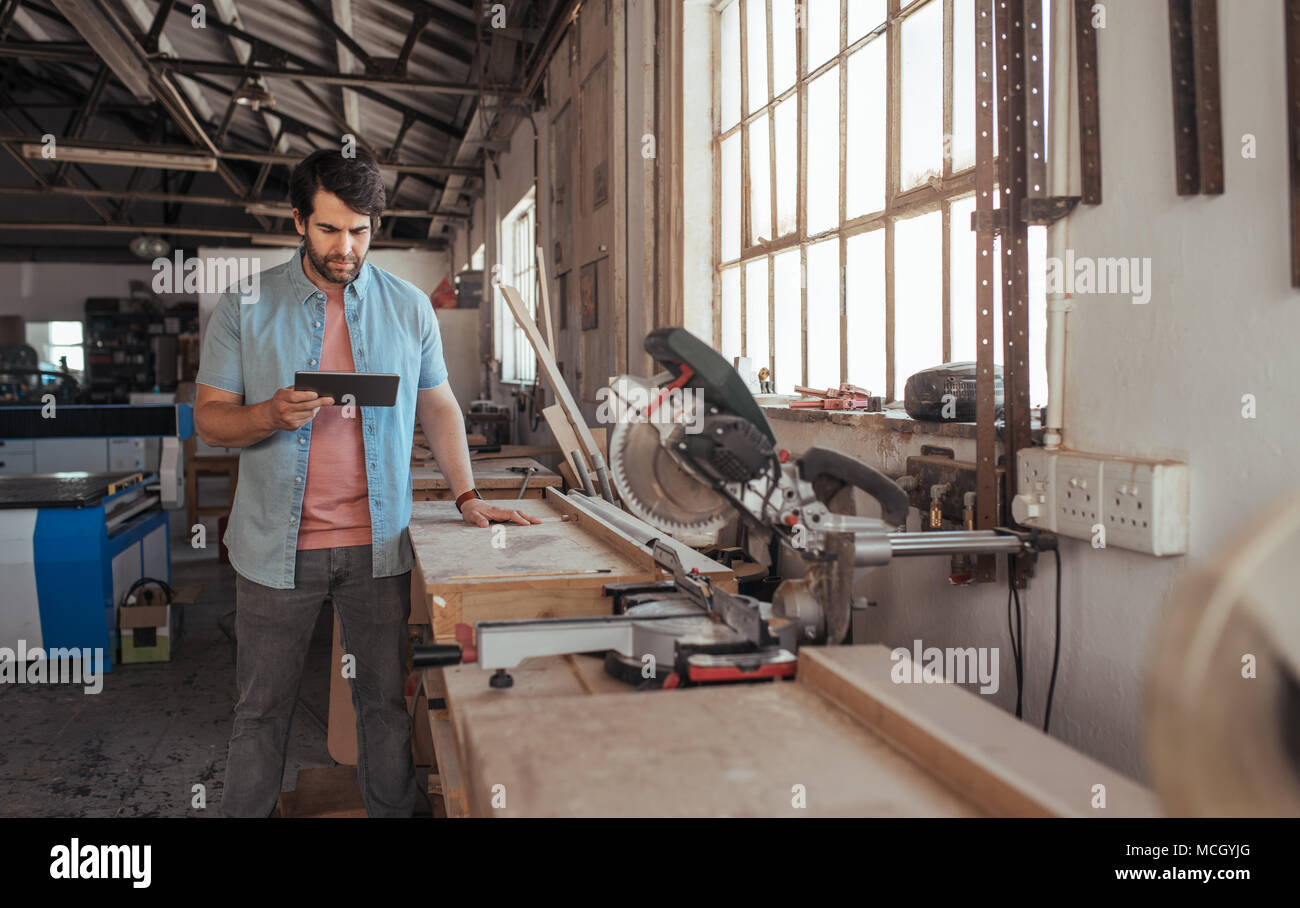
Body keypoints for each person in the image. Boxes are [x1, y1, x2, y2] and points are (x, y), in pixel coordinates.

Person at [194, 147, 541, 817]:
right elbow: (209, 419)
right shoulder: (246, 305)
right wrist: (268, 413)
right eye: (328, 229)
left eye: (359, 229)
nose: (345, 246)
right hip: (274, 548)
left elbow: (437, 404)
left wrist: (468, 495)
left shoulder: (409, 306)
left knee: (384, 703)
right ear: (299, 220)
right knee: (261, 711)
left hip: (378, 546)